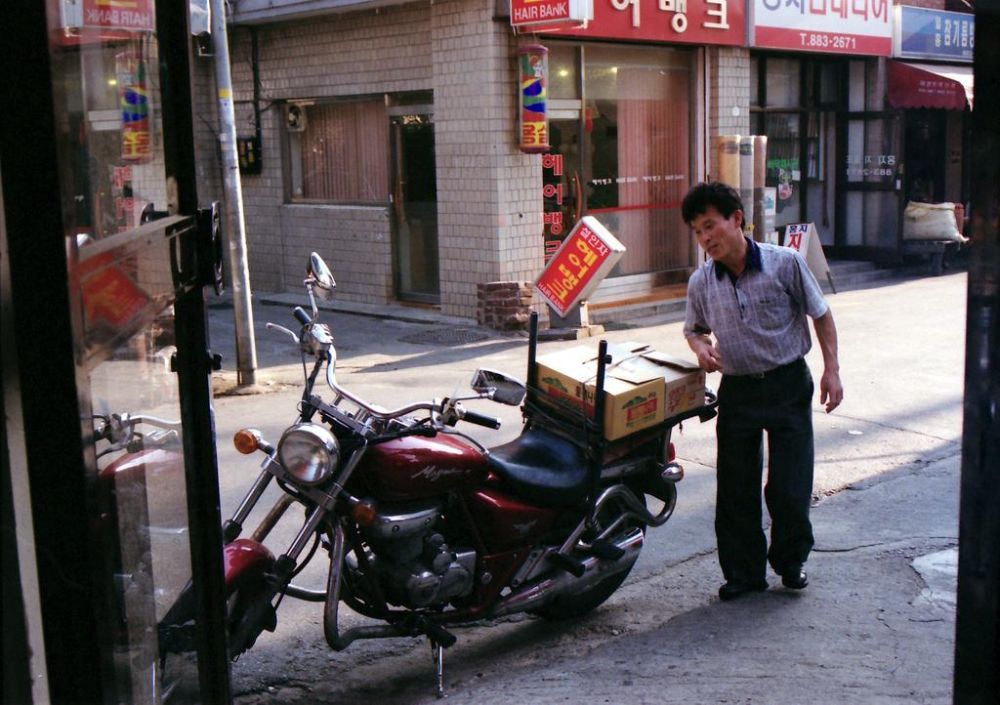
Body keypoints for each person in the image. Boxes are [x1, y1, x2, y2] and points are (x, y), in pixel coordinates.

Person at [681, 181, 843, 602]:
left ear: (736, 219)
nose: (705, 238)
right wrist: (701, 348)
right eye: (698, 231)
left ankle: (790, 563)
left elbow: (821, 315)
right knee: (736, 488)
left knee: (789, 485)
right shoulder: (701, 282)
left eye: (711, 225)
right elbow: (694, 330)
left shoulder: (784, 263)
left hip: (788, 384)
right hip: (737, 389)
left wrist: (832, 371)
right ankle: (744, 574)